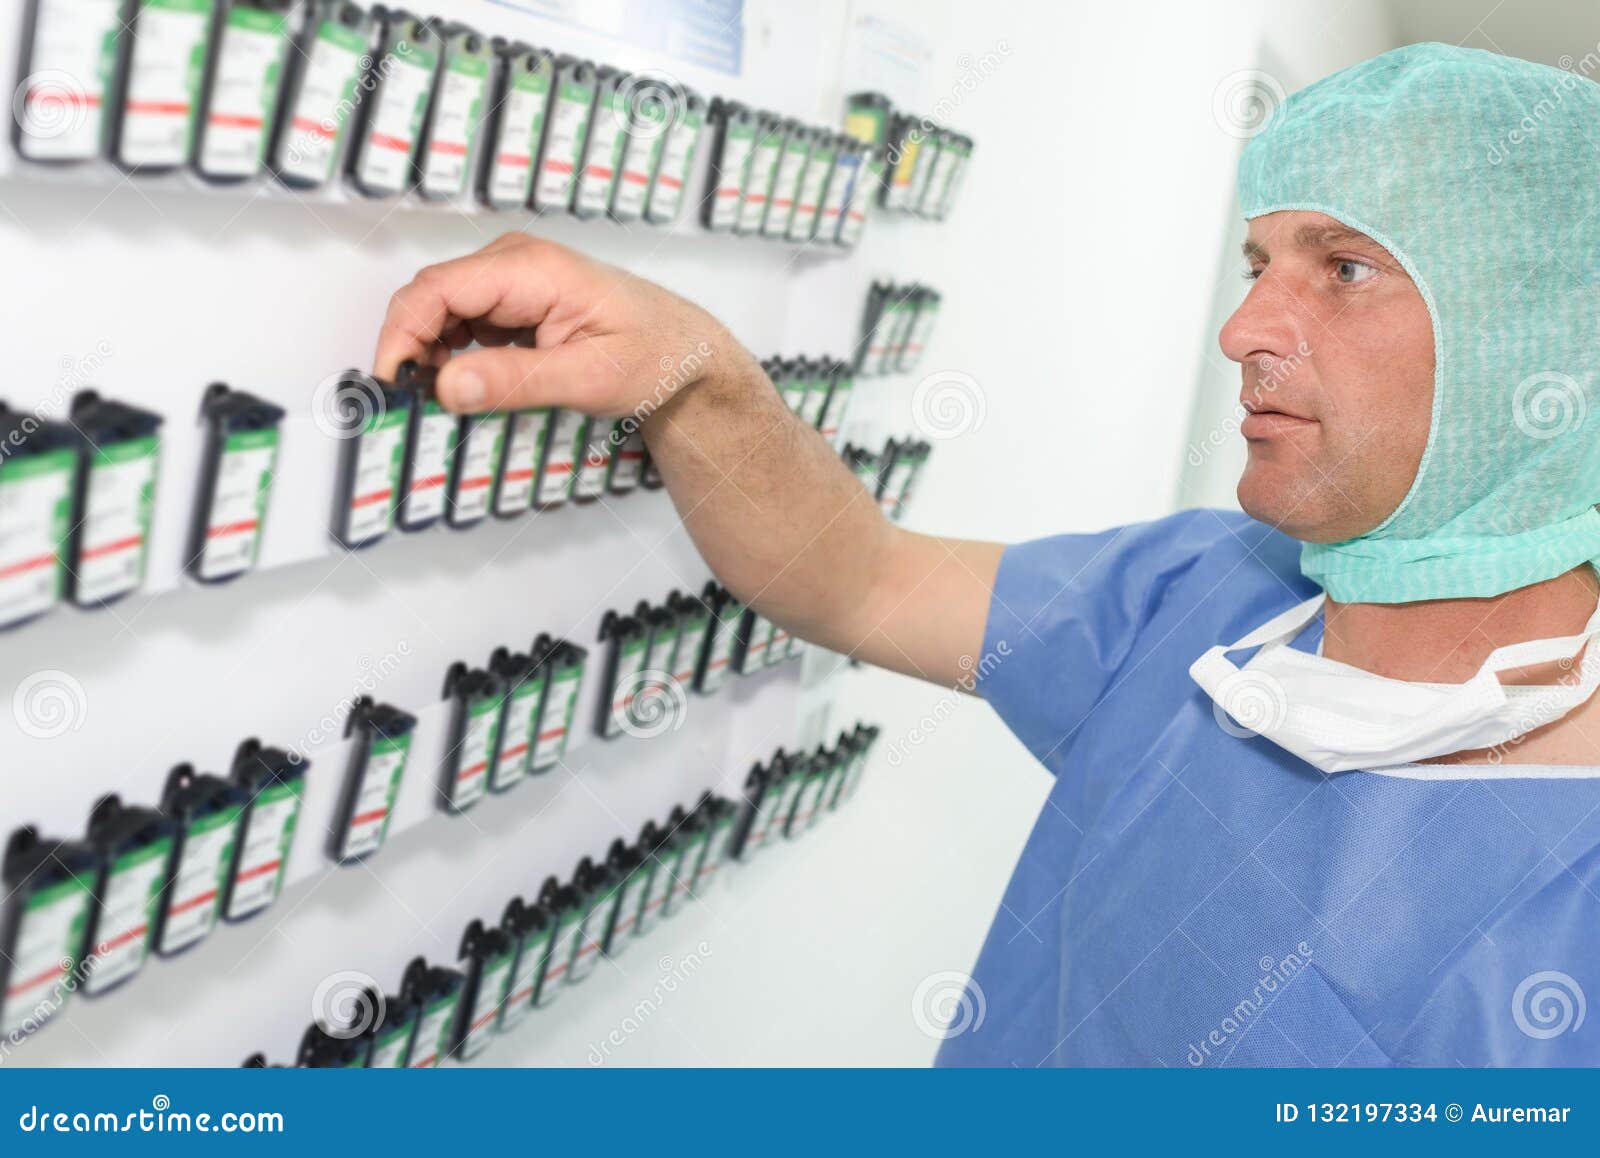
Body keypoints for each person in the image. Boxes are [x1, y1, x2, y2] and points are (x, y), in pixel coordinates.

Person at [374, 43, 1600, 1066]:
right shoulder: (1207, 598)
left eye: (1340, 270)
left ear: (1537, 338)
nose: (1241, 331)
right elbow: (860, 575)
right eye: (1255, 267)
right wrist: (686, 369)